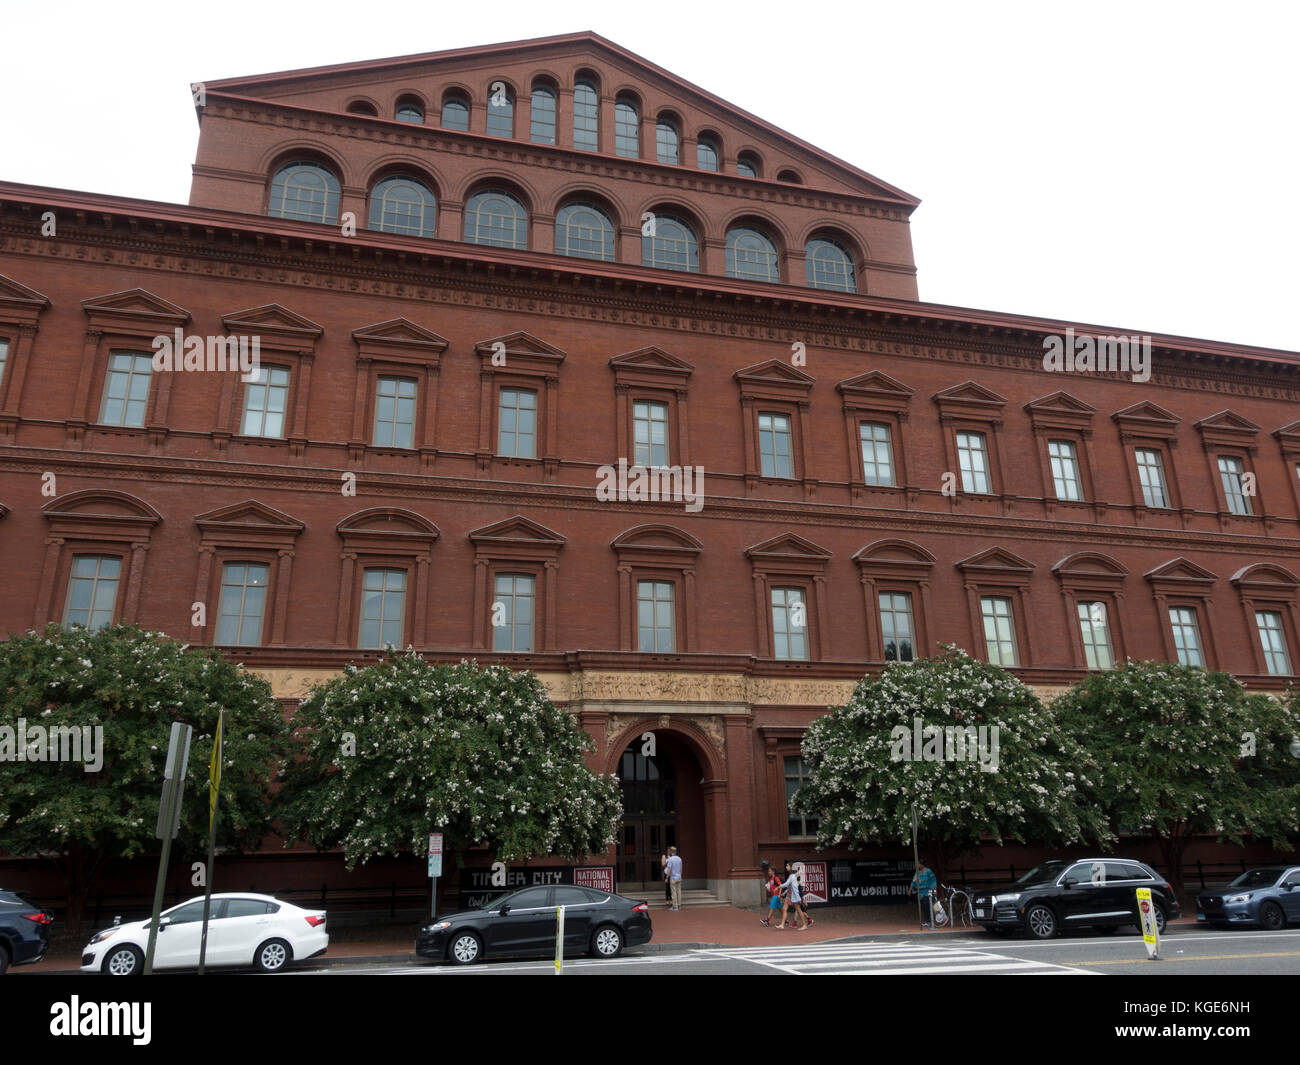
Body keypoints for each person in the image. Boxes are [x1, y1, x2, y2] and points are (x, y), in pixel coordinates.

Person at [775, 859, 806, 930]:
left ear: (791, 867)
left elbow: (786, 884)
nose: (786, 867)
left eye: (787, 866)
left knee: (799, 911)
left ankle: (804, 925)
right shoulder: (792, 875)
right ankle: (782, 925)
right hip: (791, 897)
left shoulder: (792, 876)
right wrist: (784, 892)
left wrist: (778, 887)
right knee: (784, 909)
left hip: (795, 897)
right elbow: (789, 886)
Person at [910, 860, 937, 927]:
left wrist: (935, 890)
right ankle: (928, 921)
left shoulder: (928, 871)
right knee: (924, 907)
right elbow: (913, 881)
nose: (917, 866)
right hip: (920, 893)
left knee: (927, 905)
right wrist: (910, 890)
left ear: (922, 864)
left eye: (918, 864)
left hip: (928, 892)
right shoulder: (917, 872)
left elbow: (933, 880)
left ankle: (931, 921)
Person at [760, 861, 783, 927]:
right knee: (780, 908)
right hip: (774, 895)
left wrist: (779, 894)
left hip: (776, 896)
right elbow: (770, 889)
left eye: (769, 871)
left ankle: (767, 920)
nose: (768, 872)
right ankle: (786, 920)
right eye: (768, 871)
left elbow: (780, 886)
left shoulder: (776, 878)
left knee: (772, 908)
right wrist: (767, 888)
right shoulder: (771, 879)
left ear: (773, 872)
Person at [665, 846, 683, 910]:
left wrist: (667, 877)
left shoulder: (671, 859)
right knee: (679, 891)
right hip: (679, 877)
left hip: (673, 877)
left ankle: (675, 906)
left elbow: (669, 869)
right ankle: (679, 905)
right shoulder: (679, 859)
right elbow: (681, 869)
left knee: (673, 892)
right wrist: (680, 875)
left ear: (671, 852)